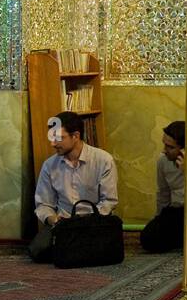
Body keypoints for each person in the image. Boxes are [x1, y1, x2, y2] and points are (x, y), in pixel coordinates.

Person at [29, 111, 119, 263]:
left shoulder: (103, 160)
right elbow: (43, 204)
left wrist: (86, 222)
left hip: (93, 223)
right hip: (63, 224)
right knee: (38, 250)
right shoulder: (50, 165)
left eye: (58, 138)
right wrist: (53, 219)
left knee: (95, 250)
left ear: (75, 136)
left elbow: (109, 201)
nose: (53, 144)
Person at [140, 120, 185, 253]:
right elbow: (163, 193)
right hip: (176, 211)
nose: (165, 151)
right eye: (164, 145)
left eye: (170, 147)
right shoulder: (163, 160)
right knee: (148, 238)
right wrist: (159, 219)